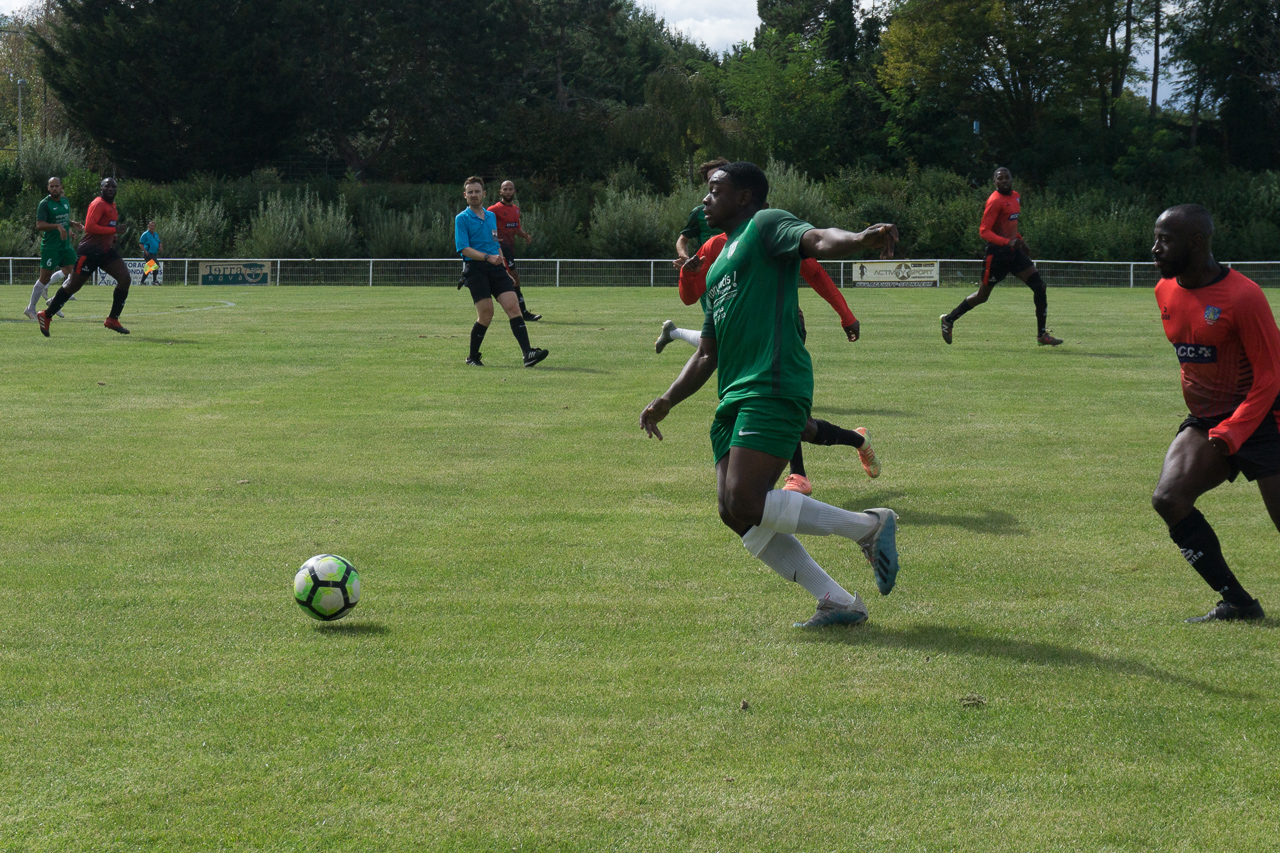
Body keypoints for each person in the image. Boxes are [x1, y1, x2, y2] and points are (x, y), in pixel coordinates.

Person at [640, 161, 901, 629]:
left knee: (746, 497)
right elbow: (706, 353)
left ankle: (869, 526)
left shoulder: (765, 224)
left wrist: (859, 241)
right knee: (734, 513)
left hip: (773, 382)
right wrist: (666, 400)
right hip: (733, 398)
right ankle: (837, 600)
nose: (706, 199)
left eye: (715, 190)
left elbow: (818, 240)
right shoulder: (717, 264)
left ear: (743, 196)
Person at [657, 228, 882, 491]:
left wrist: (846, 315)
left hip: (783, 327)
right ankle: (856, 440)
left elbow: (815, 273)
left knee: (779, 410)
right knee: (797, 424)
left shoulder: (771, 235)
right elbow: (688, 296)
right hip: (741, 339)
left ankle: (798, 476)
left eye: (716, 192)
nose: (708, 201)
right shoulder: (713, 246)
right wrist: (689, 272)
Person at [1150, 204, 1279, 623]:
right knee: (1169, 499)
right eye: (1156, 239)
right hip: (1209, 421)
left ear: (1197, 242)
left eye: (1165, 241)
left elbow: (1271, 377)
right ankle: (1239, 604)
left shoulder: (1243, 296)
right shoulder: (1164, 290)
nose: (1156, 249)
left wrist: (1234, 430)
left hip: (1264, 420)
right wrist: (1215, 425)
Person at [940, 167, 1062, 347]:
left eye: (1007, 177)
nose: (1004, 181)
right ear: (994, 182)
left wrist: (1021, 241)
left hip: (1013, 252)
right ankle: (949, 320)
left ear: (1012, 179)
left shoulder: (1016, 197)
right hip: (996, 255)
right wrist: (1006, 242)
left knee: (1039, 286)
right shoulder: (994, 201)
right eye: (1000, 178)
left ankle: (1042, 335)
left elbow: (1010, 226)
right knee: (982, 296)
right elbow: (984, 231)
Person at [454, 176, 548, 367]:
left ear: (484, 194)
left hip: (496, 267)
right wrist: (487, 257)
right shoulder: (461, 219)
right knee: (486, 314)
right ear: (465, 195)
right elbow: (464, 248)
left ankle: (528, 354)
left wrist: (505, 269)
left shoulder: (490, 216)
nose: (473, 195)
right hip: (476, 269)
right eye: (470, 192)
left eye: (477, 191)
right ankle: (473, 357)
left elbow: (495, 242)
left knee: (513, 307)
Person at [38, 177, 132, 337]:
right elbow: (89, 227)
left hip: (105, 250)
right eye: (106, 186)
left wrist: (111, 237)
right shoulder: (98, 204)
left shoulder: (112, 205)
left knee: (125, 279)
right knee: (73, 286)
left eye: (113, 186)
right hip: (89, 251)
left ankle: (112, 319)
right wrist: (113, 231)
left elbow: (105, 226)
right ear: (101, 188)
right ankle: (46, 315)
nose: (110, 189)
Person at [25, 176, 81, 321]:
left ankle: (53, 302)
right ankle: (30, 308)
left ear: (61, 187)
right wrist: (57, 227)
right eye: (51, 186)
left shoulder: (65, 202)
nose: (54, 188)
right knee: (45, 278)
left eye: (57, 186)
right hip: (51, 247)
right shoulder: (44, 204)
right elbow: (40, 225)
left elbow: (61, 219)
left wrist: (72, 224)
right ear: (48, 188)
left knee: (77, 276)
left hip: (66, 246)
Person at [487, 181, 540, 321]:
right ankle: (522, 312)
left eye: (510, 189)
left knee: (510, 278)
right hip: (500, 249)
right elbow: (483, 223)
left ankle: (515, 308)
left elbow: (516, 227)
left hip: (510, 249)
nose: (508, 191)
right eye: (505, 189)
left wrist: (525, 236)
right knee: (514, 277)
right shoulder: (494, 209)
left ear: (514, 191)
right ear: (500, 192)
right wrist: (491, 238)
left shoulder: (516, 209)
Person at [672, 158, 730, 270]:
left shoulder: (743, 209)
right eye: (711, 179)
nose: (715, 180)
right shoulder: (700, 212)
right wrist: (686, 258)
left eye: (720, 176)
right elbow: (682, 240)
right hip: (708, 273)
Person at [138, 221, 163, 285]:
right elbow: (141, 244)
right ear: (148, 226)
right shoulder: (145, 234)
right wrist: (145, 251)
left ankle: (142, 282)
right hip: (148, 253)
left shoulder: (156, 234)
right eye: (151, 226)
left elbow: (159, 242)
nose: (152, 227)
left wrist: (160, 246)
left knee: (149, 267)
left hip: (154, 253)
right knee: (156, 264)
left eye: (153, 226)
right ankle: (154, 281)